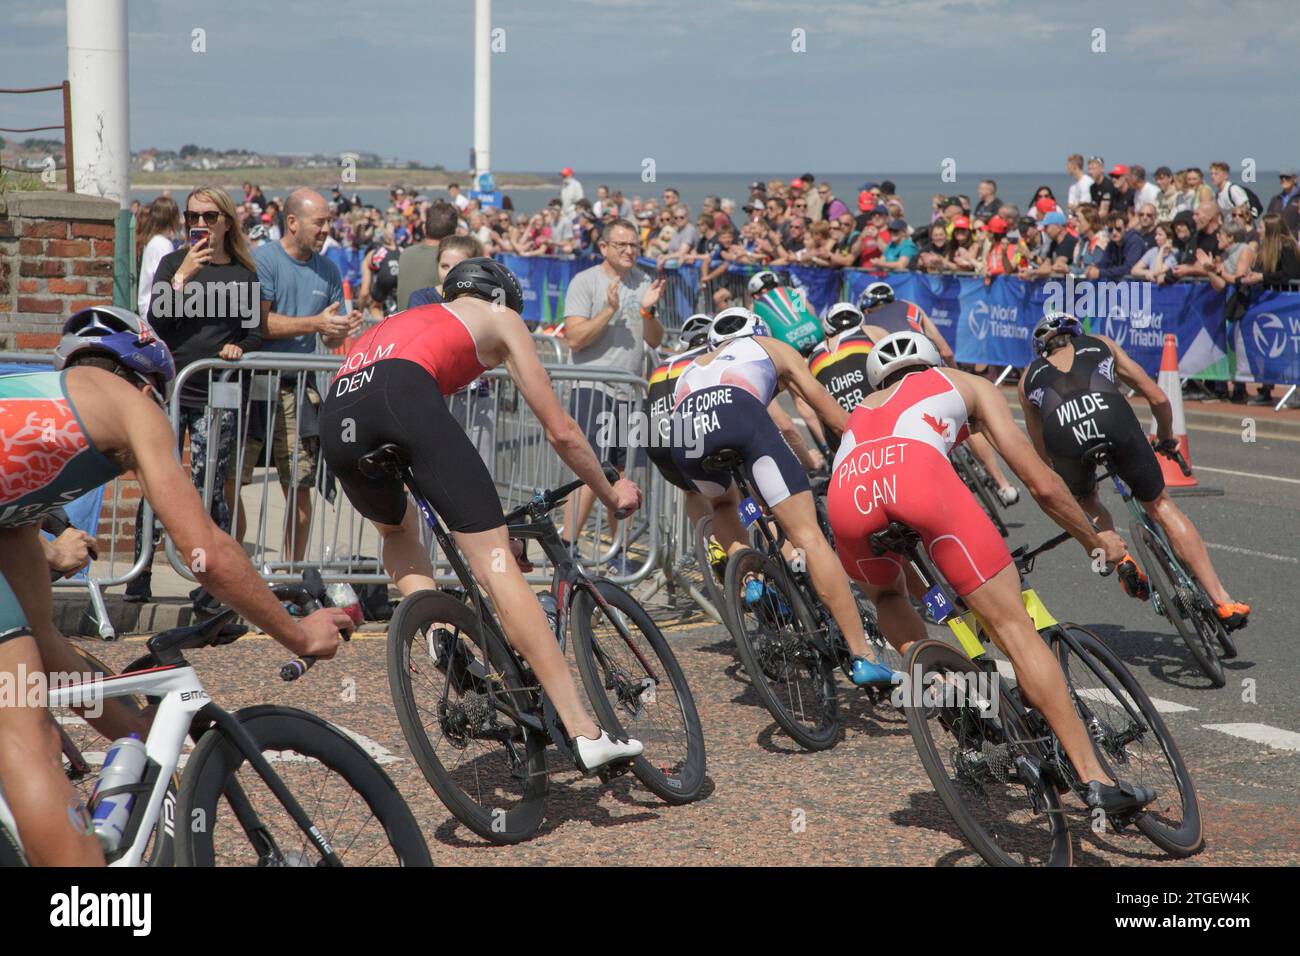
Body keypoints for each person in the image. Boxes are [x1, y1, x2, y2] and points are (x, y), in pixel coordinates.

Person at [0, 309, 350, 866]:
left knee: (25, 684)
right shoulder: (131, 404)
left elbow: (47, 644)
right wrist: (298, 635)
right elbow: (205, 552)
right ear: (147, 382)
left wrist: (139, 731)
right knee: (29, 742)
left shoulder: (21, 489)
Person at [318, 259, 643, 772]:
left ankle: (434, 625)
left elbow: (436, 463)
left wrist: (486, 519)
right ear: (497, 298)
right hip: (400, 395)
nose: (490, 364)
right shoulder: (499, 316)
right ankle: (584, 731)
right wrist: (607, 491)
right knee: (496, 565)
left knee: (397, 529)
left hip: (337, 414)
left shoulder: (406, 321)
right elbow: (561, 430)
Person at [828, 330, 1155, 815]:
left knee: (888, 599)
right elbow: (1041, 483)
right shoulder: (963, 383)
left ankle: (939, 685)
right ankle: (1096, 779)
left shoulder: (859, 412)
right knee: (1013, 628)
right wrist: (1096, 538)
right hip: (916, 474)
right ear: (932, 360)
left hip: (847, 494)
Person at [667, 308, 897, 686]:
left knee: (725, 503)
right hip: (738, 414)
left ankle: (750, 576)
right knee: (808, 535)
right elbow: (827, 410)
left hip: (685, 431)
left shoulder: (692, 365)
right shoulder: (769, 345)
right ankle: (863, 655)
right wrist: (871, 446)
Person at [1019, 313, 1250, 630]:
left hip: (1064, 436)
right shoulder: (1100, 344)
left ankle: (1119, 559)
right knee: (1160, 505)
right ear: (1075, 332)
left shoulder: (1027, 378)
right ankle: (1223, 601)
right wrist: (1167, 437)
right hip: (1112, 419)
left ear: (1040, 348)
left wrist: (1066, 485)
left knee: (1086, 499)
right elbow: (1156, 396)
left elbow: (1042, 451)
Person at [126, 187, 265, 608]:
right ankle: (140, 573)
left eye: (208, 217)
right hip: (170, 391)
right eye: (192, 217)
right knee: (157, 480)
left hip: (214, 393)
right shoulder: (173, 264)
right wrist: (182, 275)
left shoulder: (243, 274)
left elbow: (255, 329)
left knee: (210, 489)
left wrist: (240, 346)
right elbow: (156, 321)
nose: (199, 225)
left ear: (226, 222)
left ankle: (213, 584)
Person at [245, 188, 359, 564]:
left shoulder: (328, 268)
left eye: (328, 221)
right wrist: (316, 322)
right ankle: (235, 571)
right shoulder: (263, 260)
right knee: (233, 480)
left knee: (300, 484)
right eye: (320, 222)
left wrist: (339, 328)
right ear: (292, 222)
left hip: (299, 388)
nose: (328, 229)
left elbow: (328, 336)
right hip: (255, 384)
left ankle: (291, 573)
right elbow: (257, 323)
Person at [559, 218, 665, 572]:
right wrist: (608, 309)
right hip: (593, 386)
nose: (630, 251)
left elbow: (654, 339)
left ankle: (619, 551)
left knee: (623, 477)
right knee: (591, 471)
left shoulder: (643, 282)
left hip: (630, 391)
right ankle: (568, 545)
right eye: (622, 245)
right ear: (603, 247)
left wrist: (648, 310)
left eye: (634, 245)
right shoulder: (585, 282)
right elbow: (574, 338)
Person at [396, 201, 458, 311]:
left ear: (424, 229)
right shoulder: (453, 260)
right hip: (434, 325)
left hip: (404, 324)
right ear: (455, 233)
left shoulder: (406, 253)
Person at [135, 196, 181, 318]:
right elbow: (166, 280)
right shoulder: (163, 244)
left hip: (148, 308)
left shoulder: (153, 241)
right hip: (156, 311)